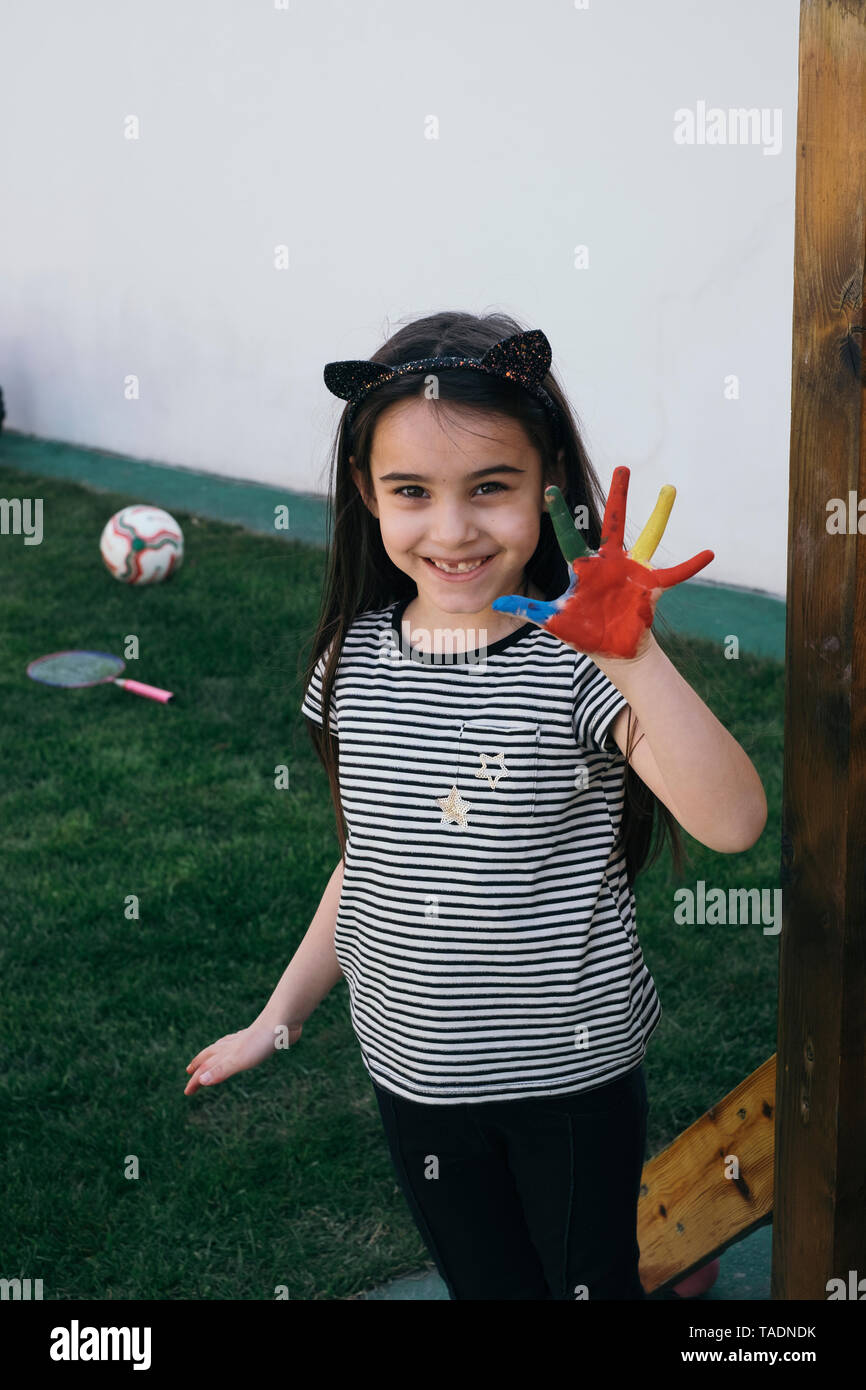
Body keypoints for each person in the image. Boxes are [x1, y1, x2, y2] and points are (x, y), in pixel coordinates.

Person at [184, 310, 767, 1300]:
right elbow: (369, 860)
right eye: (411, 491)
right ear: (366, 493)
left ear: (545, 486)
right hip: (415, 1084)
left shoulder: (580, 668)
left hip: (571, 1083)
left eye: (489, 488)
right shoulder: (352, 662)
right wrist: (273, 1019)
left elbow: (731, 821)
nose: (450, 529)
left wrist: (633, 658)